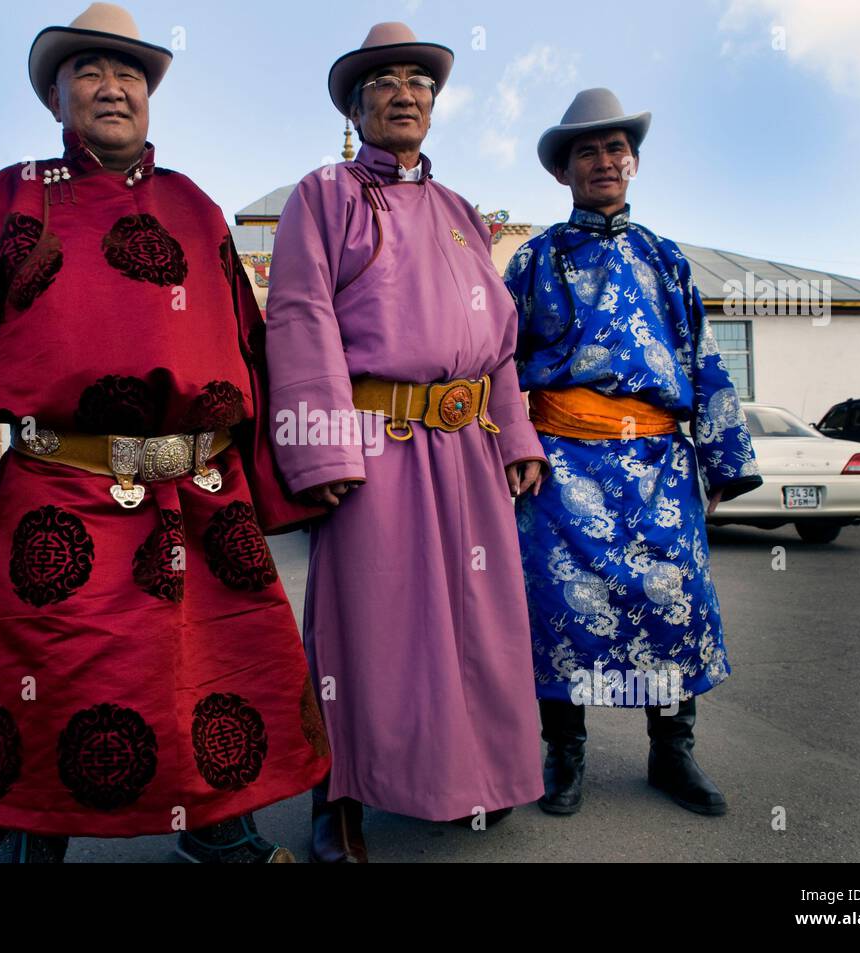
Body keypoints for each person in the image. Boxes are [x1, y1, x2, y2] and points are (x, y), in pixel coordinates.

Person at [0, 3, 330, 863]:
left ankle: (225, 837)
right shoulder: (11, 196)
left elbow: (252, 351)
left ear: (150, 97)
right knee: (53, 683)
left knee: (215, 672)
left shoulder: (197, 206)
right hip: (61, 491)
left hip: (202, 487)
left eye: (131, 74)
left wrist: (280, 478)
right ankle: (27, 858)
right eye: (91, 73)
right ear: (57, 96)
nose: (113, 88)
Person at [264, 22, 547, 863]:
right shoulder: (325, 194)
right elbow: (301, 318)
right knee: (367, 635)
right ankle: (338, 798)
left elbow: (496, 343)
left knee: (477, 628)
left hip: (467, 449)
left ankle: (473, 778)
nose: (404, 93)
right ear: (356, 106)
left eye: (419, 82)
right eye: (383, 81)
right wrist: (318, 450)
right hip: (371, 445)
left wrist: (518, 438)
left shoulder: (464, 214)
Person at [504, 88, 762, 817]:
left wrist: (722, 461)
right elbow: (495, 362)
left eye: (615, 149)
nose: (603, 161)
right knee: (559, 609)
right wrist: (510, 444)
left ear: (635, 163)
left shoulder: (667, 260)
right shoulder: (534, 259)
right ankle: (566, 754)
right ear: (565, 172)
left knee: (672, 603)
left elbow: (706, 360)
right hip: (563, 466)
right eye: (587, 151)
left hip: (660, 466)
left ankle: (671, 751)